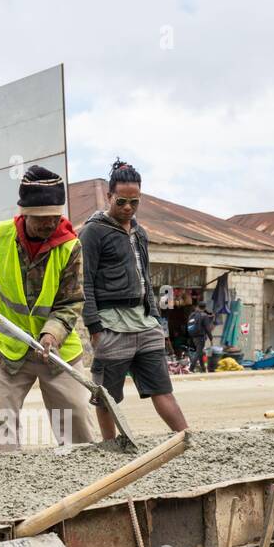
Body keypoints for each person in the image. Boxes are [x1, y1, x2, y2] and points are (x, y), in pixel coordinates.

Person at [0, 165, 95, 453]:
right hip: (11, 349)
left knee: (76, 419)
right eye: (41, 218)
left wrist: (51, 334)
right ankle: (6, 478)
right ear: (24, 212)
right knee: (5, 425)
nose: (49, 224)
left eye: (55, 216)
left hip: (57, 351)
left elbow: (70, 302)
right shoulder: (0, 236)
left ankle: (83, 474)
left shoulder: (70, 247)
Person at [81, 160, 188, 438]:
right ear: (109, 196)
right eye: (122, 201)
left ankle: (186, 439)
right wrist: (94, 327)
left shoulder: (140, 233)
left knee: (162, 389)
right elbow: (86, 282)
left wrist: (155, 320)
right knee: (107, 396)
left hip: (144, 325)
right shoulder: (93, 231)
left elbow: (146, 278)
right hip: (111, 325)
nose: (128, 207)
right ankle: (109, 447)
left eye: (134, 202)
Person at [186, 302, 216, 372]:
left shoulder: (192, 314)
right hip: (200, 337)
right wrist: (211, 338)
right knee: (198, 352)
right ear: (205, 307)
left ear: (198, 306)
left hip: (193, 337)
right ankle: (191, 369)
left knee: (200, 353)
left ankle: (203, 369)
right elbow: (207, 329)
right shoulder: (204, 316)